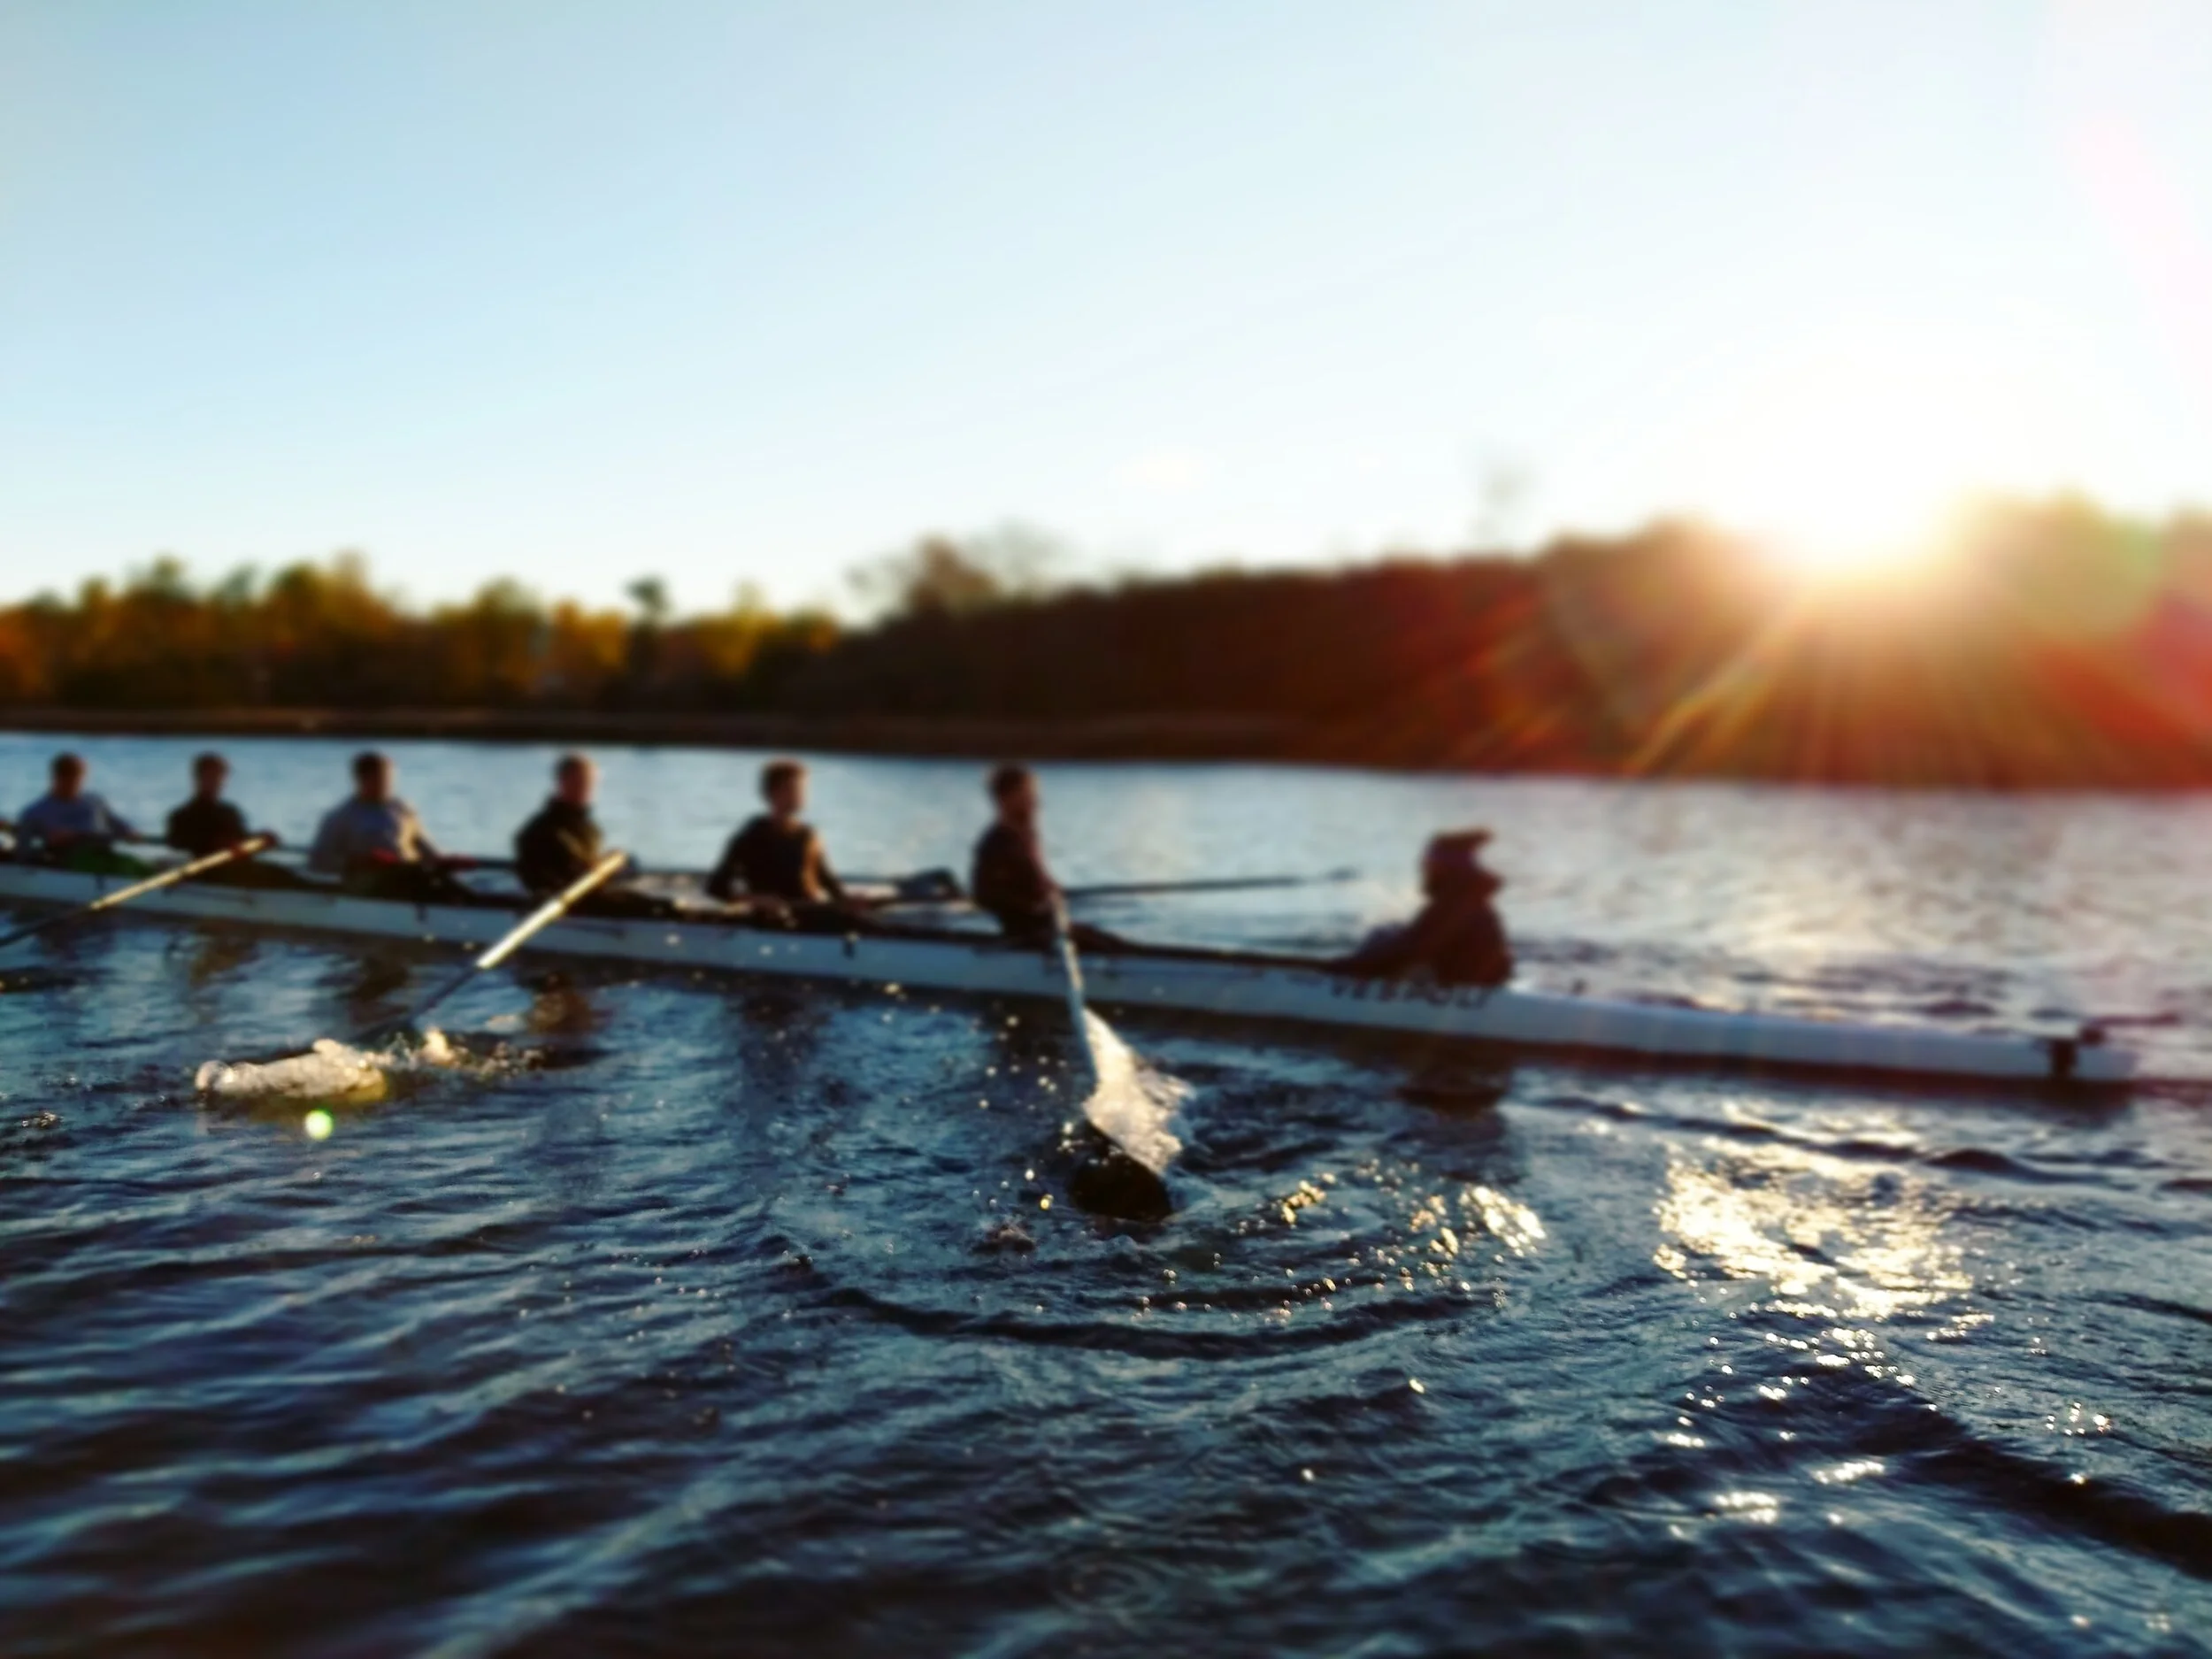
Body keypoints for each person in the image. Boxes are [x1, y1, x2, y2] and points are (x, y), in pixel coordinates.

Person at [1336, 829, 1514, 988]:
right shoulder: (1466, 900)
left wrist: (1332, 969)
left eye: (1430, 861)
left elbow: (1405, 957)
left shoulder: (1453, 906)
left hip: (1461, 986)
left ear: (1447, 869)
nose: (1423, 866)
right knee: (1389, 931)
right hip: (1476, 981)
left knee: (1381, 938)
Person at [970, 764, 1118, 949]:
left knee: (1115, 943)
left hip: (1050, 927)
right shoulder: (995, 843)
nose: (1036, 801)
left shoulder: (1027, 835)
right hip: (1025, 936)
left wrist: (1053, 888)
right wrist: (1032, 906)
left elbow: (1039, 879)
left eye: (1033, 794)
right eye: (1027, 794)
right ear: (1005, 798)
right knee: (1105, 947)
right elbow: (983, 895)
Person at [511, 753, 668, 916]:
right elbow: (540, 879)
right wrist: (592, 871)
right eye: (579, 783)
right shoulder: (539, 831)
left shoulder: (589, 828)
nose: (586, 789)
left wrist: (608, 865)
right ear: (562, 783)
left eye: (590, 783)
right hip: (567, 902)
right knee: (654, 910)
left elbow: (586, 866)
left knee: (666, 905)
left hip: (590, 894)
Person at [308, 750, 466, 902]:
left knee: (441, 881)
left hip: (409, 876)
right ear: (361, 779)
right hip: (369, 886)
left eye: (390, 779)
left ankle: (472, 905)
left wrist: (446, 862)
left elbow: (425, 848)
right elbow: (317, 862)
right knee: (422, 881)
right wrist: (359, 862)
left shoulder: (403, 809)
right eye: (381, 779)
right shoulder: (340, 817)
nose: (388, 784)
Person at [707, 759, 847, 909]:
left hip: (811, 915)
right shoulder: (751, 837)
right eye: (794, 789)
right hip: (773, 921)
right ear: (773, 793)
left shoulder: (807, 835)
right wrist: (755, 899)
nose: (801, 795)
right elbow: (716, 888)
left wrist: (850, 900)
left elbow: (828, 882)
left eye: (803, 789)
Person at [15, 752, 148, 873]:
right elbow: (24, 853)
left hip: (104, 856)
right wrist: (52, 842)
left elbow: (118, 824)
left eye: (80, 777)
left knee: (146, 868)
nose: (77, 782)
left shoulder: (95, 801)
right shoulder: (35, 812)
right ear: (57, 777)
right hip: (68, 865)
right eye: (71, 776)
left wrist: (131, 832)